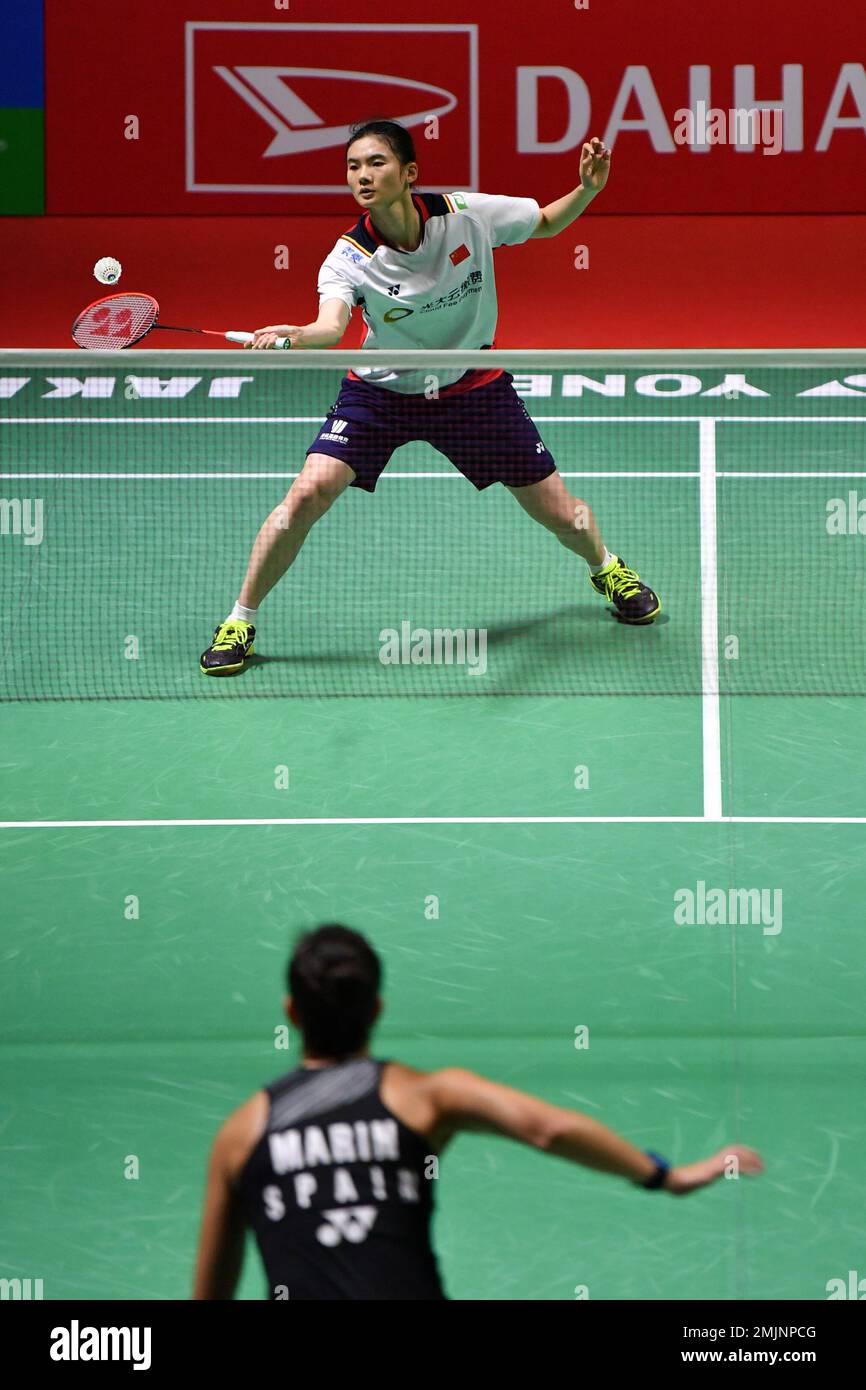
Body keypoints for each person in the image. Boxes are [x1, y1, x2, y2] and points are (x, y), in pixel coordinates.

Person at [200, 118, 661, 676]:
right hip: (382, 392)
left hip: (471, 386)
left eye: (376, 163)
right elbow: (328, 329)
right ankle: (239, 619)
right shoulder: (348, 257)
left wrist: (588, 188)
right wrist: (290, 335)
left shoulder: (467, 215)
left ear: (409, 172)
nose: (363, 176)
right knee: (307, 494)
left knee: (563, 514)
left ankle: (606, 567)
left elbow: (542, 223)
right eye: (352, 166)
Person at [192, 925, 763, 1300]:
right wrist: (667, 1176)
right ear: (377, 1008)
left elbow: (210, 1294)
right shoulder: (424, 1097)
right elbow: (553, 1128)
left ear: (291, 1011)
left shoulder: (241, 1134)